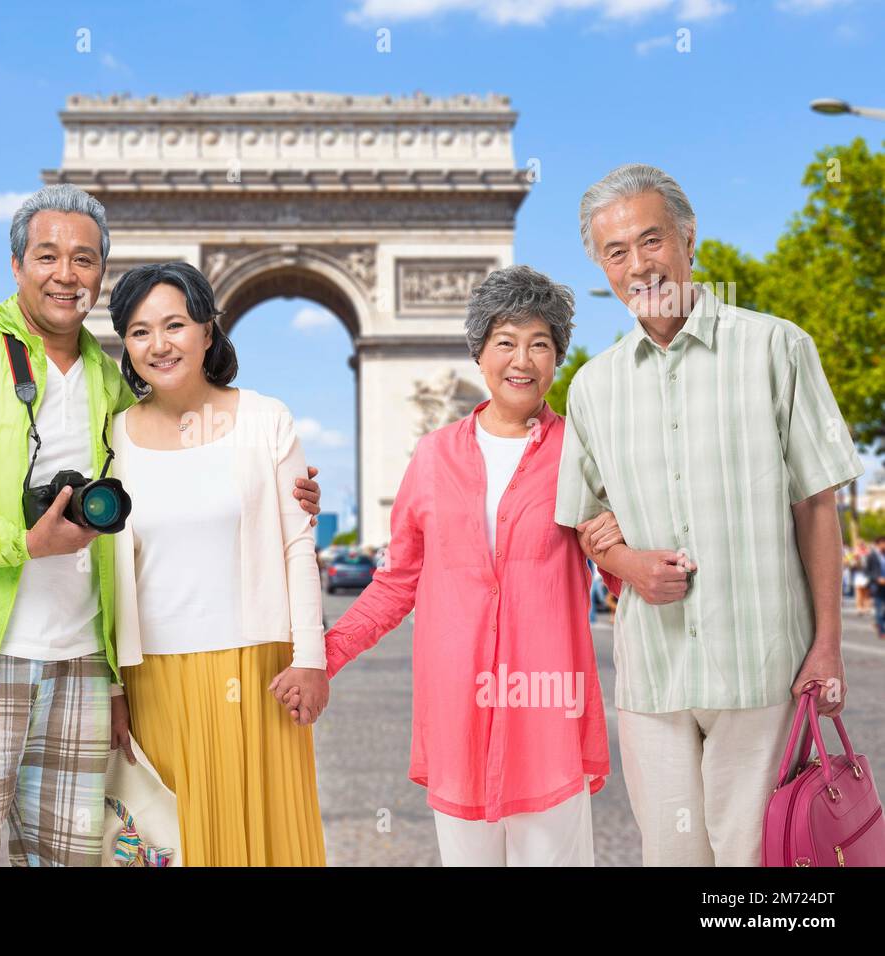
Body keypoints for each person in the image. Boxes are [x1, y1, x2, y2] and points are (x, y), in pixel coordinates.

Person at [0, 185, 321, 867]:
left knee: (76, 858)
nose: (66, 273)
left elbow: (176, 483)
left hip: (82, 666)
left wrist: (283, 495)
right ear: (17, 264)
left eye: (84, 259)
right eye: (47, 255)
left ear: (101, 273)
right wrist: (18, 541)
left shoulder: (110, 387)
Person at [558, 163, 863, 866]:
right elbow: (585, 518)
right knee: (669, 855)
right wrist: (624, 561)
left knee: (754, 860)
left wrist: (827, 643)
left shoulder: (778, 349)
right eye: (616, 252)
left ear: (689, 239)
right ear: (601, 266)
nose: (639, 265)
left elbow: (818, 502)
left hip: (761, 666)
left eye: (651, 240)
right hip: (654, 674)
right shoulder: (593, 389)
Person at [282, 265, 620, 866]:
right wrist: (322, 656)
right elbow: (397, 582)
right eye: (506, 342)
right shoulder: (433, 456)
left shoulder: (581, 452)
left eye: (540, 344)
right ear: (479, 353)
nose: (523, 360)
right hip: (458, 715)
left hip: (547, 713)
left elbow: (618, 571)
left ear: (558, 357)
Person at [106, 262, 327, 866]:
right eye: (139, 330)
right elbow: (97, 573)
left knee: (259, 845)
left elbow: (296, 544)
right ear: (125, 345)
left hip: (258, 670)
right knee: (177, 846)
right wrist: (112, 684)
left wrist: (311, 658)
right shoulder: (112, 437)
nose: (159, 344)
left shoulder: (265, 419)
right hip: (154, 676)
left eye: (175, 324)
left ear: (208, 329)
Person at [866, 536, 885, 641]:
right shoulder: (872, 556)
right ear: (879, 544)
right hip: (877, 586)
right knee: (878, 609)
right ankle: (882, 631)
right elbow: (867, 572)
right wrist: (877, 579)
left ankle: (879, 623)